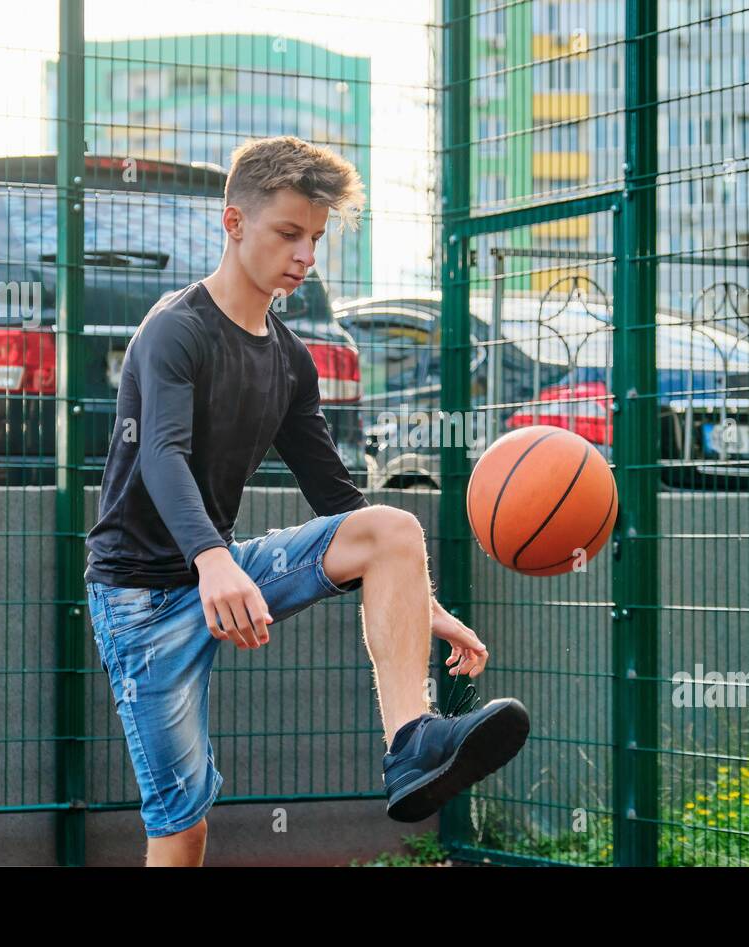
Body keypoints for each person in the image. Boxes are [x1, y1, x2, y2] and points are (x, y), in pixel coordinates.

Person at [83, 135, 529, 866]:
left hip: (219, 573)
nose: (304, 254)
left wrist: (424, 604)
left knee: (389, 530)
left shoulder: (289, 359)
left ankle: (411, 742)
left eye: (315, 238)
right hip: (139, 602)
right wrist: (213, 559)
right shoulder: (175, 332)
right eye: (288, 233)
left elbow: (336, 498)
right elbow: (160, 454)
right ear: (234, 223)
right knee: (182, 823)